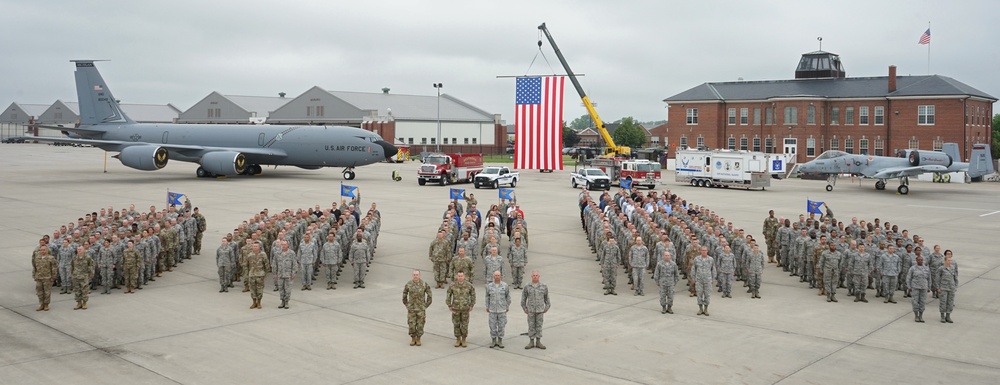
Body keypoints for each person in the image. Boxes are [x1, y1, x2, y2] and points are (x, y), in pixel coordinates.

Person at [521, 270, 551, 350]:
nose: (535, 276)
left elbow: (547, 298)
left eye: (536, 275)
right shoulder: (527, 286)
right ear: (531, 277)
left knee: (539, 326)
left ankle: (538, 341)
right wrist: (524, 308)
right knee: (531, 326)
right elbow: (523, 298)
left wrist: (546, 307)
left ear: (539, 276)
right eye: (533, 275)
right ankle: (531, 341)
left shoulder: (543, 286)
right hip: (530, 310)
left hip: (540, 310)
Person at [403, 270, 433, 346]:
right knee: (411, 325)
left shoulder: (424, 284)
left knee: (420, 324)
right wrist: (407, 304)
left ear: (419, 275)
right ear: (412, 275)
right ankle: (413, 338)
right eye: (414, 275)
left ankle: (418, 338)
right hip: (412, 309)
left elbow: (429, 295)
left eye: (417, 275)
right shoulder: (409, 284)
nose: (415, 276)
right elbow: (404, 294)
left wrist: (425, 305)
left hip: (420, 309)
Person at [446, 272, 475, 348]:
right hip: (455, 308)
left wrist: (472, 305)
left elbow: (473, 295)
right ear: (457, 276)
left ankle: (464, 339)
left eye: (461, 276)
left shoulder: (469, 285)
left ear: (464, 276)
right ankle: (458, 339)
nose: (460, 277)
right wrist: (449, 305)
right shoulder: (453, 285)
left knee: (465, 324)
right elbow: (448, 295)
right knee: (456, 324)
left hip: (465, 308)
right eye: (459, 276)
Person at [485, 270, 511, 348]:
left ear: (501, 276)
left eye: (498, 275)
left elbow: (508, 296)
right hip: (492, 309)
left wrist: (507, 306)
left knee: (501, 325)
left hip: (502, 309)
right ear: (493, 276)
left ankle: (500, 341)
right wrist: (487, 306)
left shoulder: (505, 286)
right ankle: (493, 340)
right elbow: (487, 297)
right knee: (492, 325)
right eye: (495, 275)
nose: (497, 277)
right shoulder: (489, 286)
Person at [32, 245, 58, 311]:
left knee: (47, 292)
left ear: (47, 250)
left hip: (47, 277)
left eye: (44, 250)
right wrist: (34, 275)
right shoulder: (37, 258)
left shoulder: (51, 258)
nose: (42, 251)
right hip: (39, 277)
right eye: (41, 250)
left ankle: (46, 304)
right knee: (39, 291)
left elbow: (54, 268)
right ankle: (41, 304)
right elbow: (35, 267)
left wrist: (53, 277)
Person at [906, 255, 931, 323]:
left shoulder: (926, 268)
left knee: (922, 302)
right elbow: (909, 278)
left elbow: (929, 278)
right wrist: (909, 286)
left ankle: (921, 315)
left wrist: (929, 287)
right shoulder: (912, 268)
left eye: (921, 260)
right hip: (915, 287)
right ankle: (916, 315)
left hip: (924, 287)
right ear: (916, 261)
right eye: (919, 260)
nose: (920, 261)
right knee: (915, 301)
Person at [692, 246, 716, 316]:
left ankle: (705, 309)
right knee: (699, 295)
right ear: (700, 251)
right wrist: (693, 278)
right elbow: (694, 269)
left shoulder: (711, 259)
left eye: (705, 250)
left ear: (707, 251)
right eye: (702, 250)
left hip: (708, 280)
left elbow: (713, 269)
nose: (704, 252)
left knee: (707, 295)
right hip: (699, 280)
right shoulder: (697, 259)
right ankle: (700, 308)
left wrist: (713, 279)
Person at [274, 241, 299, 309]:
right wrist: (275, 274)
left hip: (288, 274)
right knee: (281, 288)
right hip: (280, 274)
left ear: (288, 245)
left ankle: (287, 301)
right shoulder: (277, 253)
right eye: (282, 244)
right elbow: (275, 264)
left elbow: (294, 263)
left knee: (288, 289)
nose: (283, 246)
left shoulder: (291, 253)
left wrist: (293, 273)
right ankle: (282, 301)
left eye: (285, 244)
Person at [937, 250, 958, 323]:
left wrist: (955, 286)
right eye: (949, 260)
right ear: (945, 261)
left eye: (951, 260)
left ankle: (948, 316)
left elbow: (955, 277)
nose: (950, 262)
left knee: (950, 302)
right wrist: (938, 287)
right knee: (943, 302)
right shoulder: (941, 268)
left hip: (951, 287)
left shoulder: (952, 268)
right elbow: (937, 278)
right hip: (943, 287)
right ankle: (942, 316)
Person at [246, 243, 268, 309]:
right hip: (252, 274)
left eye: (256, 246)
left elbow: (266, 264)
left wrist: (265, 273)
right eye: (254, 246)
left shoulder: (263, 254)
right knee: (252, 289)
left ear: (259, 247)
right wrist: (247, 274)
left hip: (260, 274)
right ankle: (254, 302)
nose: (255, 247)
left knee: (260, 289)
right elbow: (246, 265)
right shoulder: (250, 255)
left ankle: (259, 302)